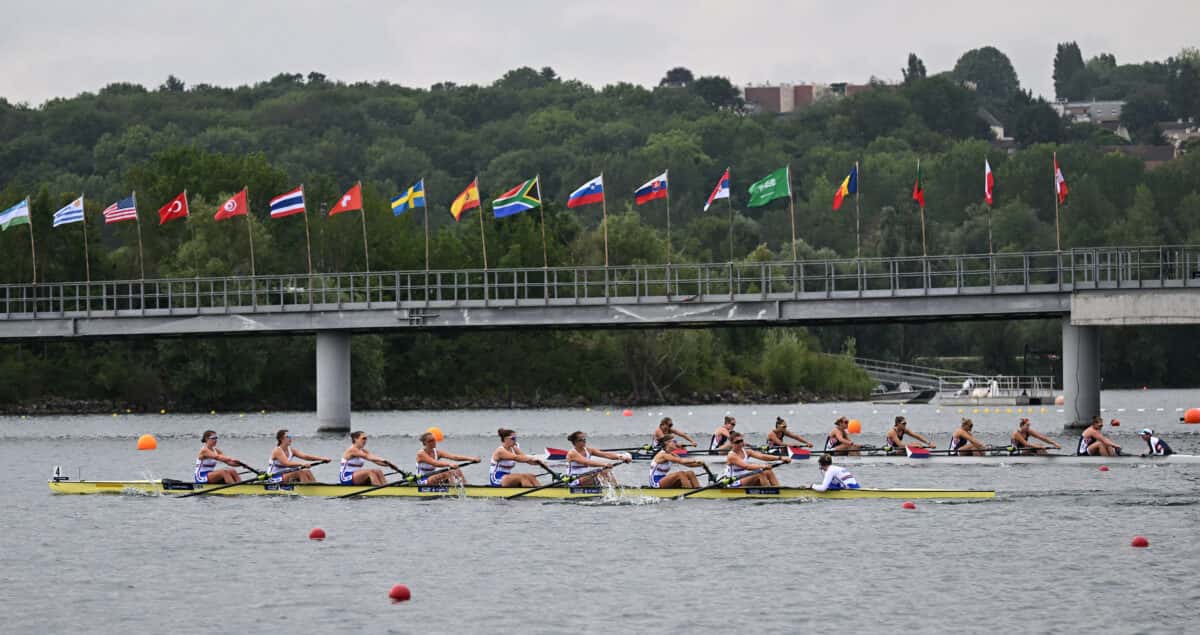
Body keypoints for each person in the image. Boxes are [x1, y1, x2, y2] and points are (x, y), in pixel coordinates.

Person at [721, 431, 791, 486]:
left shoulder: (747, 451)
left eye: (741, 441)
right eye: (737, 442)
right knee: (759, 472)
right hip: (733, 481)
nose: (740, 443)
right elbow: (747, 466)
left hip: (744, 478)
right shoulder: (732, 456)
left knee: (768, 471)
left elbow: (762, 456)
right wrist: (763, 466)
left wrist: (781, 458)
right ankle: (768, 492)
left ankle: (777, 489)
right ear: (732, 443)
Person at [565, 430, 630, 486]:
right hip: (574, 480)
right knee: (604, 472)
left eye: (584, 439)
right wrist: (604, 464)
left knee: (607, 471)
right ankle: (610, 489)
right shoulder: (572, 453)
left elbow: (606, 455)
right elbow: (586, 462)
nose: (584, 441)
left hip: (585, 477)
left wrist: (622, 457)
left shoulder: (589, 450)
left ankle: (614, 488)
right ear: (575, 442)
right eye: (581, 440)